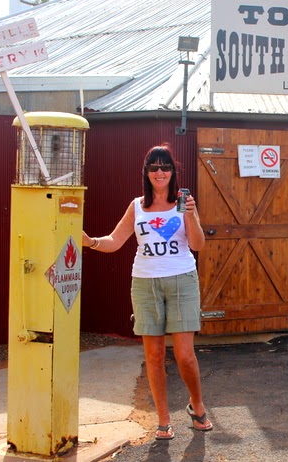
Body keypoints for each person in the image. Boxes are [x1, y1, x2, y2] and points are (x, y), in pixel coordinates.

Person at [82, 144, 212, 441]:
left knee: (184, 356)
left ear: (173, 172)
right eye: (154, 167)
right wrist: (90, 242)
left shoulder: (183, 204)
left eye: (165, 167)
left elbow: (197, 245)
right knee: (154, 355)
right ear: (146, 172)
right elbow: (115, 240)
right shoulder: (137, 206)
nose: (160, 172)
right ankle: (163, 419)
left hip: (181, 280)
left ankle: (197, 405)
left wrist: (191, 215)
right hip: (145, 282)